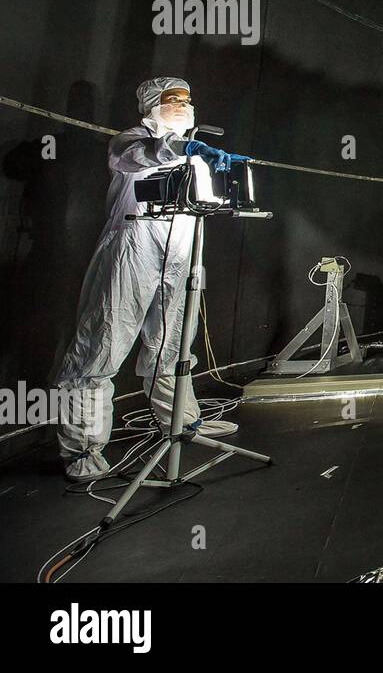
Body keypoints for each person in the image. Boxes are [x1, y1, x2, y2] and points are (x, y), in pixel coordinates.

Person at [54, 77, 249, 482]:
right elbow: (139, 158)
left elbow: (204, 201)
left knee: (174, 342)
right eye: (171, 99)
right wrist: (187, 148)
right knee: (102, 343)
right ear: (150, 104)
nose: (181, 105)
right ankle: (84, 448)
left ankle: (183, 421)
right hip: (132, 246)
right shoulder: (132, 140)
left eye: (186, 99)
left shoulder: (195, 151)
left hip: (179, 252)